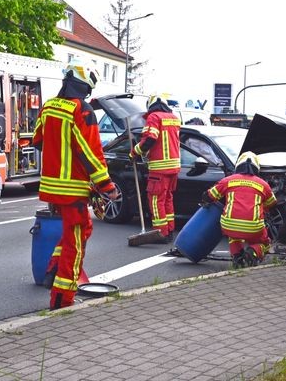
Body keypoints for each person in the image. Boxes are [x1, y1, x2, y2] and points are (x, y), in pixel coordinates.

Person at [32, 58, 117, 310]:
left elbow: (38, 140)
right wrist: (106, 185)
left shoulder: (49, 107)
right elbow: (90, 152)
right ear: (84, 85)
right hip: (73, 189)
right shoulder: (81, 110)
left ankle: (52, 269)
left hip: (51, 187)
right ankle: (62, 298)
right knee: (76, 242)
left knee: (75, 233)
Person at [201, 151, 277, 267]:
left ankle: (237, 257)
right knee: (264, 242)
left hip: (229, 225)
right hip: (253, 227)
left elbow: (209, 195)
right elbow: (272, 202)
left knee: (234, 236)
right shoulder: (263, 184)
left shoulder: (228, 180)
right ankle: (253, 252)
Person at [130, 92, 181, 242]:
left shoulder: (154, 117)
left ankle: (160, 232)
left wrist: (135, 152)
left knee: (156, 200)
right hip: (174, 167)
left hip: (159, 168)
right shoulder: (174, 118)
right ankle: (169, 230)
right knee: (167, 200)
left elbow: (150, 139)